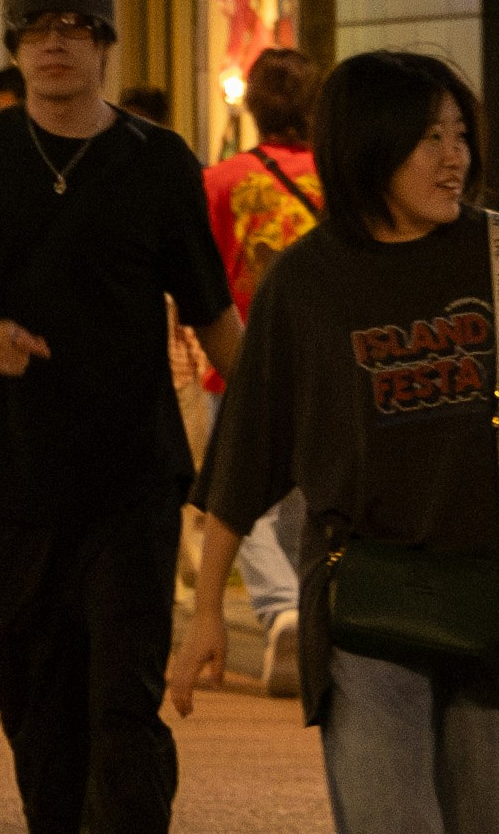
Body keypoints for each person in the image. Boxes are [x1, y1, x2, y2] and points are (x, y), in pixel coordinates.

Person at [171, 50, 499, 834]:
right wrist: (207, 611)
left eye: (460, 136)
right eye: (429, 140)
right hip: (364, 598)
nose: (455, 160)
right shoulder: (307, 282)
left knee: (478, 817)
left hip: (498, 597)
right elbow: (243, 457)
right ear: (370, 148)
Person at [0, 0, 237, 834]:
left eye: (75, 28)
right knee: (38, 713)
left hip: (133, 478)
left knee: (122, 710)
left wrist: (289, 407)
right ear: (15, 46)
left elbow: (212, 312)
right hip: (16, 486)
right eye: (38, 29)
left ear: (104, 45)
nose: (55, 45)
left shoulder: (156, 161)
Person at [197, 48, 339, 687]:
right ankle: (311, 616)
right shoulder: (342, 179)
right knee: (313, 499)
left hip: (243, 360)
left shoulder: (221, 180)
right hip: (333, 362)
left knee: (239, 497)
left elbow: (201, 278)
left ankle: (282, 612)